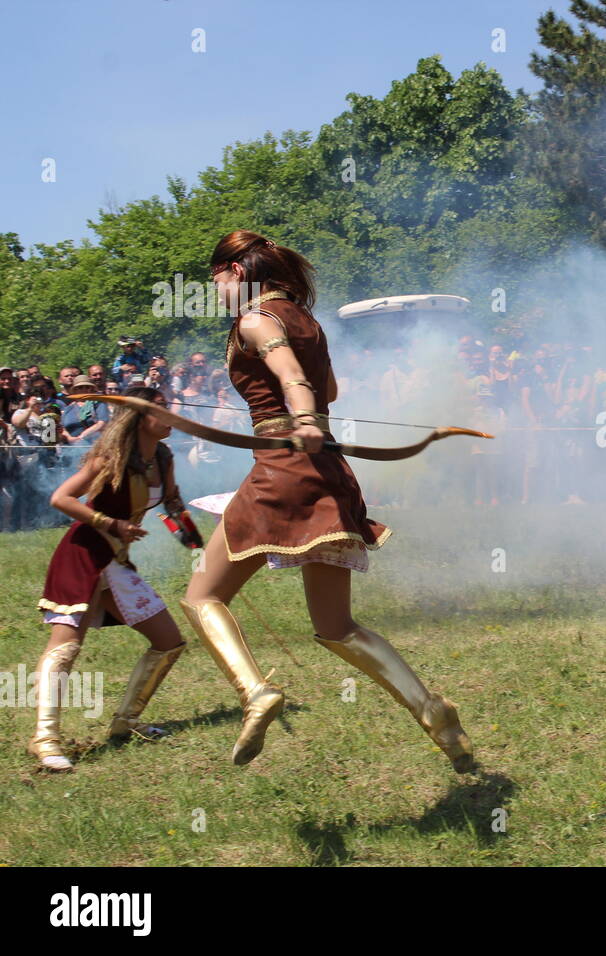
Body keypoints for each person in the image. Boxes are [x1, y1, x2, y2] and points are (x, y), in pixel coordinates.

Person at [184, 230, 474, 772]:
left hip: (282, 469)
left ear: (237, 271)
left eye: (216, 277)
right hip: (326, 472)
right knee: (336, 627)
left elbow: (295, 379)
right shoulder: (305, 321)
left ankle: (256, 693)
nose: (215, 289)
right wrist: (310, 408)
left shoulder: (256, 319)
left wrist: (302, 416)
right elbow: (328, 387)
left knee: (201, 597)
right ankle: (432, 710)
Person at [30, 386, 191, 771]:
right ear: (140, 416)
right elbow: (61, 498)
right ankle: (45, 738)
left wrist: (195, 538)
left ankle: (126, 722)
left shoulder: (163, 457)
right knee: (66, 647)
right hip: (83, 555)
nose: (170, 415)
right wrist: (112, 523)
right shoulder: (111, 456)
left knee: (168, 642)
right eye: (162, 409)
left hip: (115, 562)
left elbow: (170, 506)